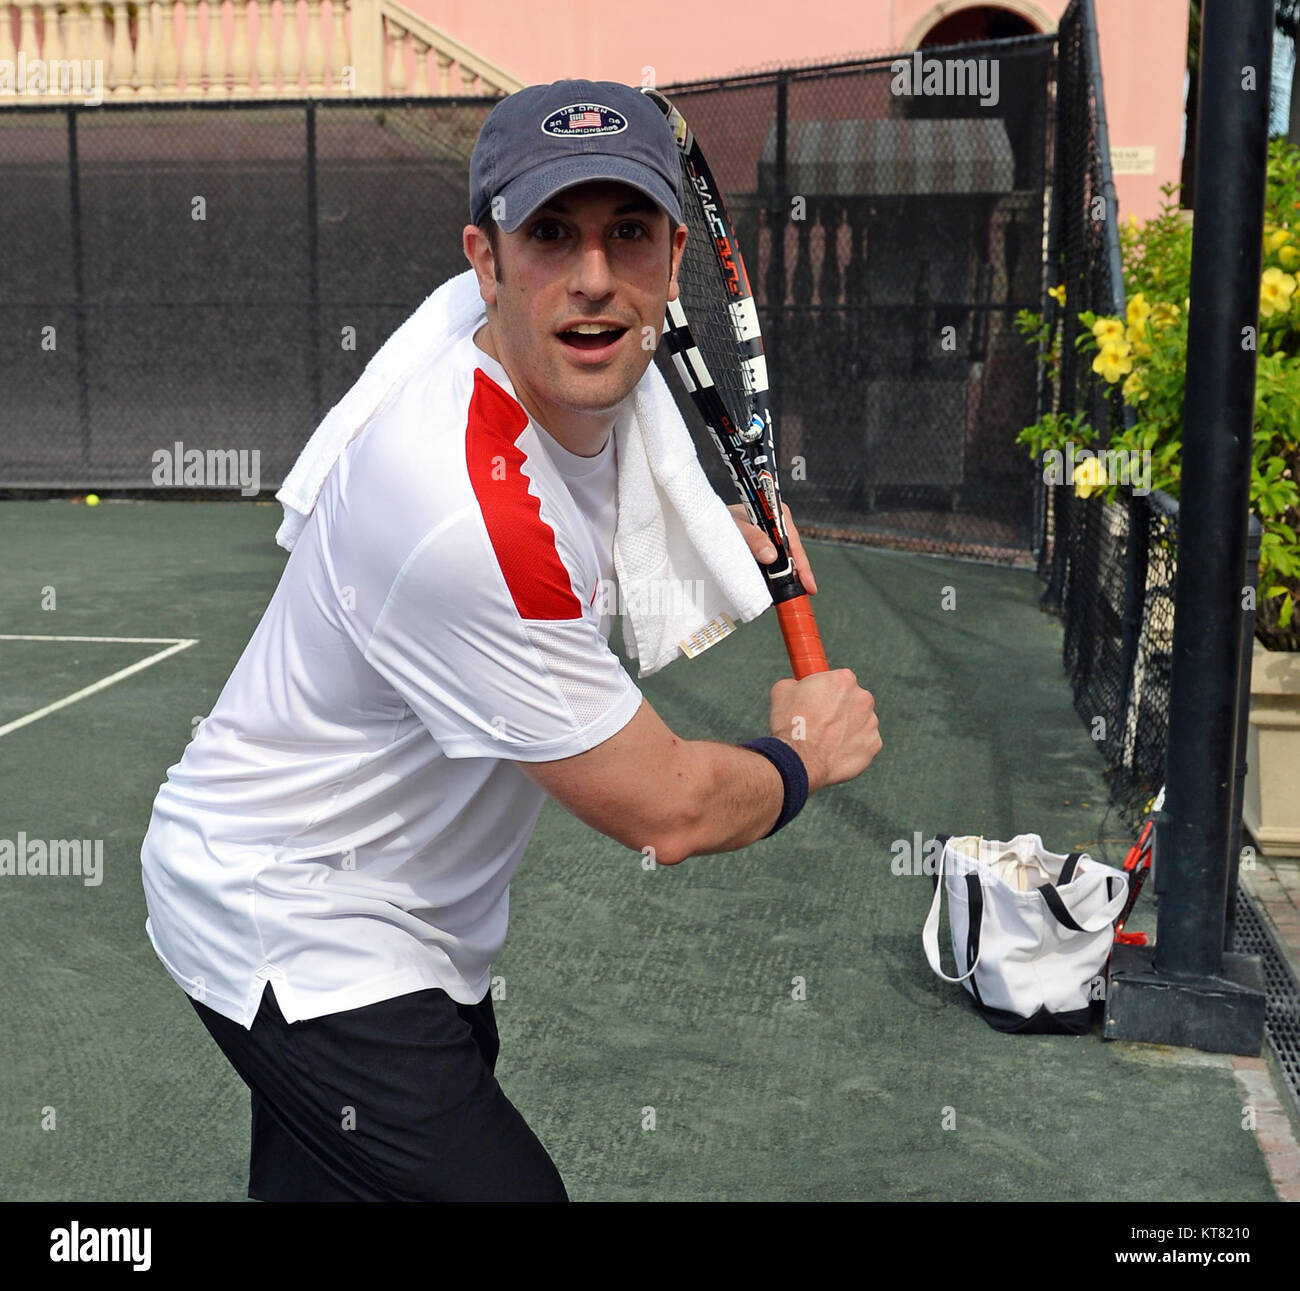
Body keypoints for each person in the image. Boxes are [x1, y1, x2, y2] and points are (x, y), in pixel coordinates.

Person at [139, 78, 882, 1203]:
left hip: (414, 915)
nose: (591, 278)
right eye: (551, 235)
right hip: (291, 912)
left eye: (625, 232)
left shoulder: (516, 339)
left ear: (672, 259)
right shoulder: (456, 514)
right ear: (485, 259)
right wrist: (802, 759)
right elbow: (666, 809)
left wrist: (709, 526)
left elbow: (596, 456)